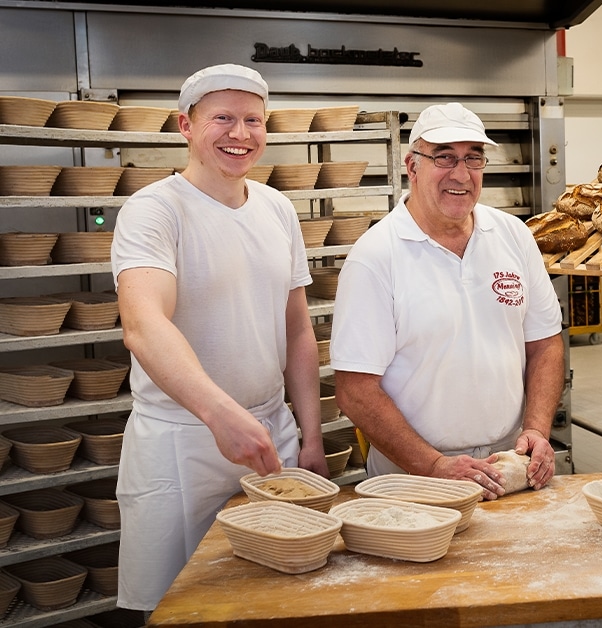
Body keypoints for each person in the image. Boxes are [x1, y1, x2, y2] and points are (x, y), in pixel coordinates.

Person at [111, 63, 328, 613]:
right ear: (186, 125)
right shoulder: (154, 211)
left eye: (253, 120)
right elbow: (143, 324)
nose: (241, 134)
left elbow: (297, 329)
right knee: (174, 604)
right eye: (222, 118)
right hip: (183, 443)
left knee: (270, 597)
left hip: (270, 433)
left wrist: (311, 435)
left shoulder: (277, 208)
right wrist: (219, 414)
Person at [331, 103, 563, 500]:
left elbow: (545, 344)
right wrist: (433, 464)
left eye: (473, 158)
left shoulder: (513, 235)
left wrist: (537, 429)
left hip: (507, 467)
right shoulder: (376, 256)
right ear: (412, 166)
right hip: (414, 478)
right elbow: (355, 389)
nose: (461, 174)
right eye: (444, 157)